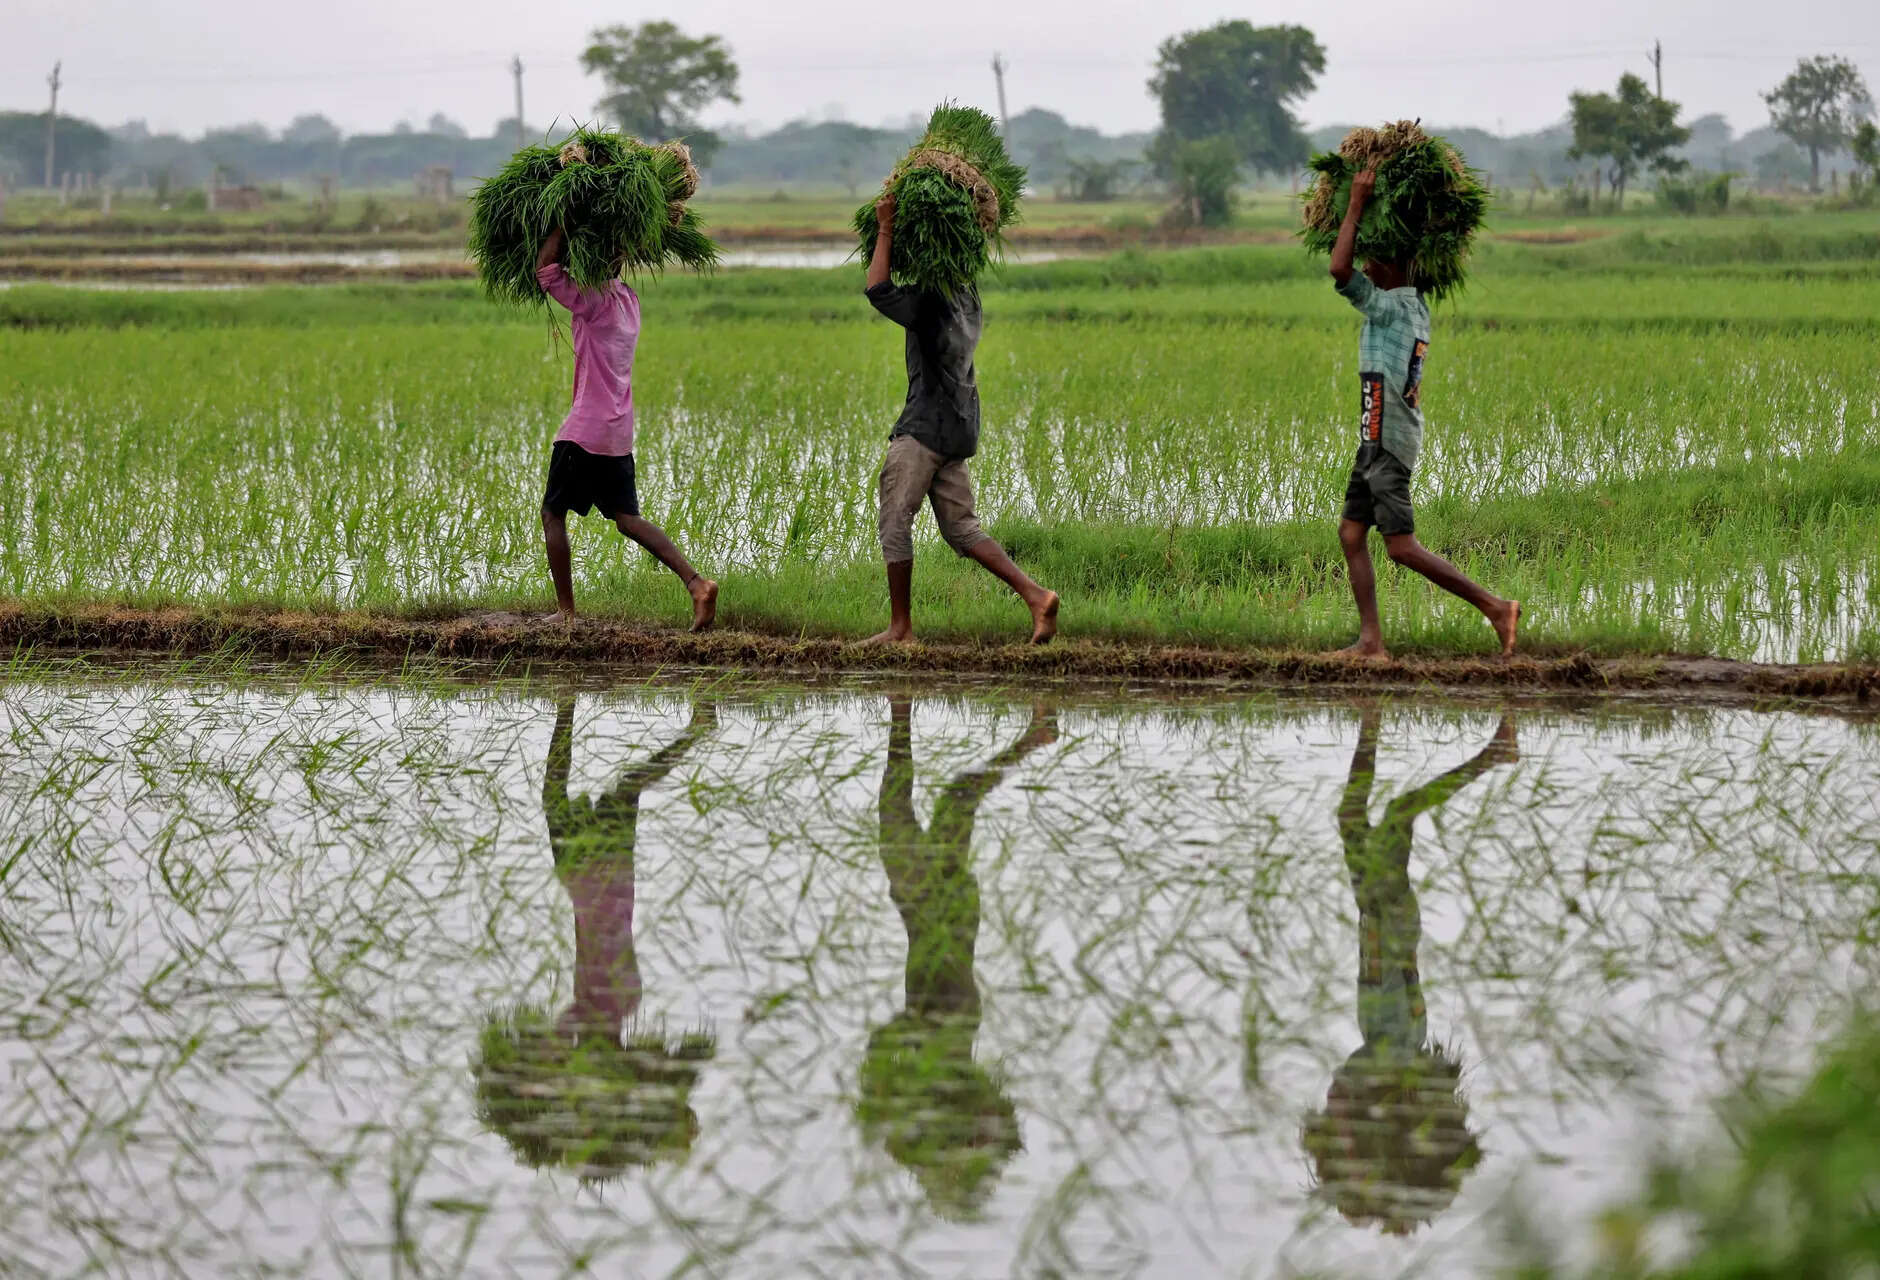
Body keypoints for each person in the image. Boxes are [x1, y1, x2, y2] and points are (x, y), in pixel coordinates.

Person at [473, 695, 719, 1180]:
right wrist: (542, 1088)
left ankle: (569, 711)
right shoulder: (611, 1006)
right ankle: (694, 728)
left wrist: (546, 1089)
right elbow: (561, 1046)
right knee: (618, 789)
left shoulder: (610, 1009)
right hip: (600, 878)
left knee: (580, 792)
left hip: (589, 880)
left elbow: (561, 1046)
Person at [1300, 707, 1519, 1232]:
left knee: (1353, 815)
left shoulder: (1388, 1047)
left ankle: (1371, 725)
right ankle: (1493, 753)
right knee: (1396, 814)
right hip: (1388, 919)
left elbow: (1347, 1089)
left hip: (1378, 918)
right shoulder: (1395, 1046)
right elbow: (1354, 1083)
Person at [856, 697, 1057, 1218]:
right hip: (941, 920)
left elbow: (881, 1074)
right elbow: (1001, 1122)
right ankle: (1033, 735)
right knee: (951, 798)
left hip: (923, 911)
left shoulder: (925, 1106)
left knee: (904, 805)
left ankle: (904, 716)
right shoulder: (957, 1083)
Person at [1329, 168, 1520, 660]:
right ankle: (1371, 642)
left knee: (1400, 547)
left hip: (1388, 439)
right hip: (1376, 436)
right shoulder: (1409, 305)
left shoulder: (1392, 308)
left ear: (1396, 266)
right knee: (1352, 533)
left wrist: (1355, 203)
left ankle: (1496, 608)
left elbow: (1338, 270)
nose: (1366, 266)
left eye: (1375, 258)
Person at [861, 191, 1059, 647]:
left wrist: (887, 228)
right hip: (958, 427)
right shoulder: (968, 295)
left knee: (894, 521)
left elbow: (877, 289)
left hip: (924, 429)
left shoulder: (930, 302)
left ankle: (900, 629)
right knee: (962, 529)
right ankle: (1036, 596)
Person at [534, 228, 718, 631]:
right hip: (617, 430)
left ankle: (565, 611)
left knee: (552, 512)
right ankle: (697, 584)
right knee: (626, 518)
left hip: (585, 429)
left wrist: (560, 227)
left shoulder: (594, 300)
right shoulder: (628, 299)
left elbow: (544, 272)